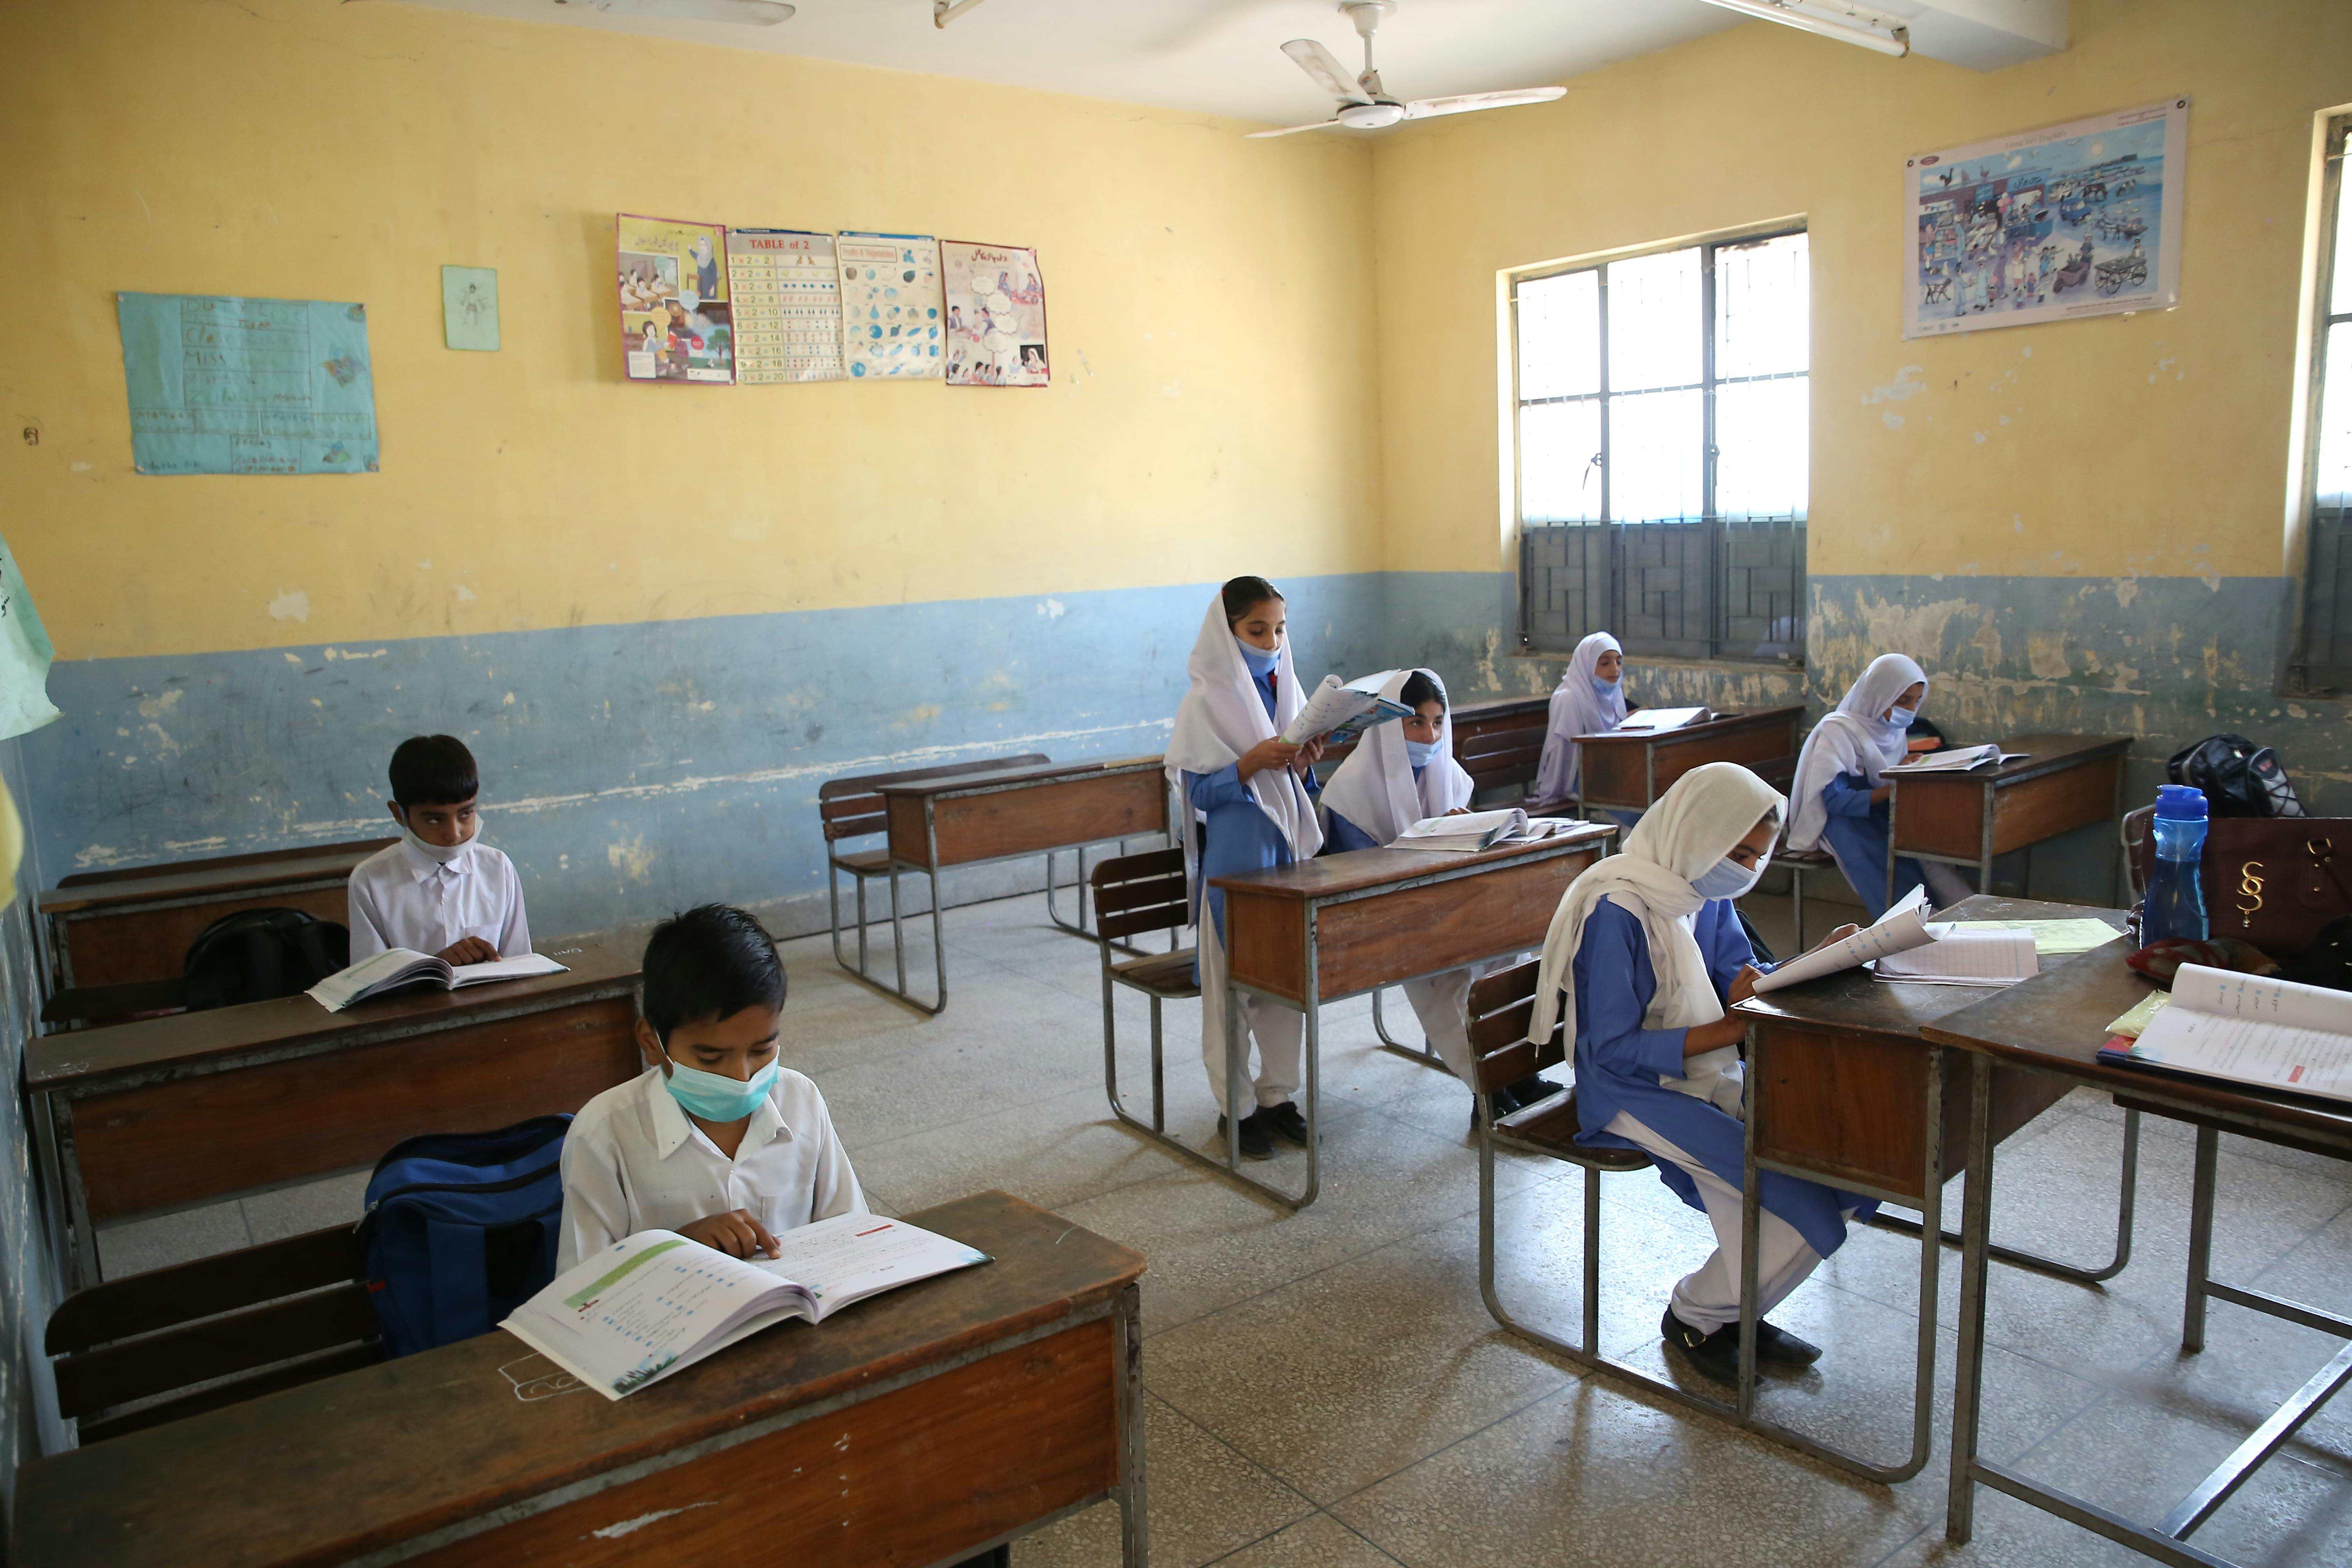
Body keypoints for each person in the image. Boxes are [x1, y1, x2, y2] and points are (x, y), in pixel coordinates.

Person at [1529, 762, 1875, 1385]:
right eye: (1736, 852)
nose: (1743, 869)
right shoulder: (1618, 909)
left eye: (1757, 858)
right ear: (1697, 831)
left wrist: (1823, 960)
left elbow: (1742, 979)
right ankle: (1696, 1313)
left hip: (1706, 1069)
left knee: (1850, 1174)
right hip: (1632, 1092)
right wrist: (1729, 1028)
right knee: (1802, 1210)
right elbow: (1609, 1051)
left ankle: (1738, 1309)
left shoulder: (1701, 894)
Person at [558, 904, 862, 1272]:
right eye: (711, 1058)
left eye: (762, 1050)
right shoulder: (603, 1134)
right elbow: (580, 1291)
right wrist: (678, 1249)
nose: (741, 1076)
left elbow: (852, 1233)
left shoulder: (801, 1100)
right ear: (652, 1043)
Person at [1321, 667, 1561, 1128]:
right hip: (1391, 920)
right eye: (1415, 722)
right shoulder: (1351, 790)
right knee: (1450, 982)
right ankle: (1486, 1086)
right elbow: (1358, 878)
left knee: (1510, 956)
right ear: (1389, 724)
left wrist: (1463, 829)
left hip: (1452, 906)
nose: (1429, 734)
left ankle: (1521, 1073)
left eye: (1436, 722)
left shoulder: (1449, 774)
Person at [1166, 577, 1327, 1160]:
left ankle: (1277, 1097)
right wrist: (1251, 762)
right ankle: (1233, 1109)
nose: (1271, 640)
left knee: (1285, 987)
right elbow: (1200, 795)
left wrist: (1304, 762)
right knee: (1230, 996)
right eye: (1257, 629)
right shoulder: (1205, 701)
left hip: (1286, 864)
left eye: (1279, 628)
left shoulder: (1287, 694)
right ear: (1228, 631)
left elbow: (1297, 785)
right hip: (1234, 869)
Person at [1786, 654, 1973, 919]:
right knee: (1883, 867)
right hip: (1842, 820)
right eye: (1902, 701)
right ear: (1877, 696)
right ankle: (1905, 928)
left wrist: (1903, 767)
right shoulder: (1837, 731)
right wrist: (1893, 789)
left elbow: (1882, 774)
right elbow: (1834, 801)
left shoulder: (1890, 730)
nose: (1910, 710)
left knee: (1922, 850)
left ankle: (1952, 917)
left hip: (1879, 810)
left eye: (1917, 701)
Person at [346, 734, 530, 964]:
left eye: (466, 814)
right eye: (434, 820)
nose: (454, 833)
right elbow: (368, 981)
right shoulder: (370, 880)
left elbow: (520, 961)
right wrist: (433, 968)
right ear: (398, 814)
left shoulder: (497, 866)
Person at [1535, 632, 1628, 805]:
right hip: (1577, 779)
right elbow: (1563, 755)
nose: (1615, 669)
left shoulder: (1614, 693)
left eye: (1619, 662)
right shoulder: (1568, 697)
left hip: (1609, 773)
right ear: (1587, 664)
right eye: (1605, 663)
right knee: (1636, 804)